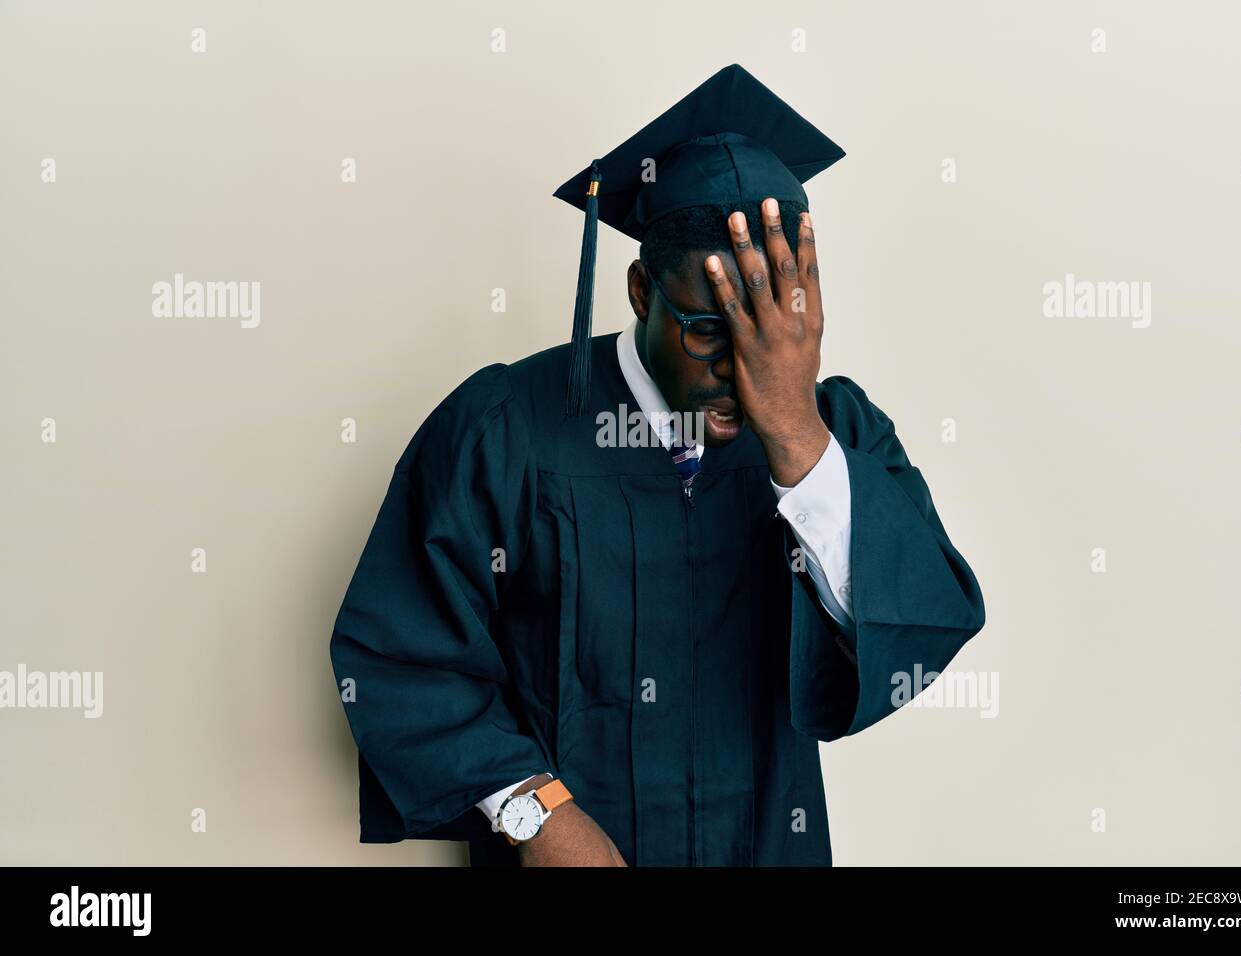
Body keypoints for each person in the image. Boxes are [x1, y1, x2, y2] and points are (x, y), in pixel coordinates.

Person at [329, 63, 985, 867]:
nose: (747, 367)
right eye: (712, 328)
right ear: (642, 291)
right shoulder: (509, 426)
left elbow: (918, 627)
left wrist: (797, 438)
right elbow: (400, 651)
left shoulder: (835, 428)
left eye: (779, 326)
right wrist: (533, 812)